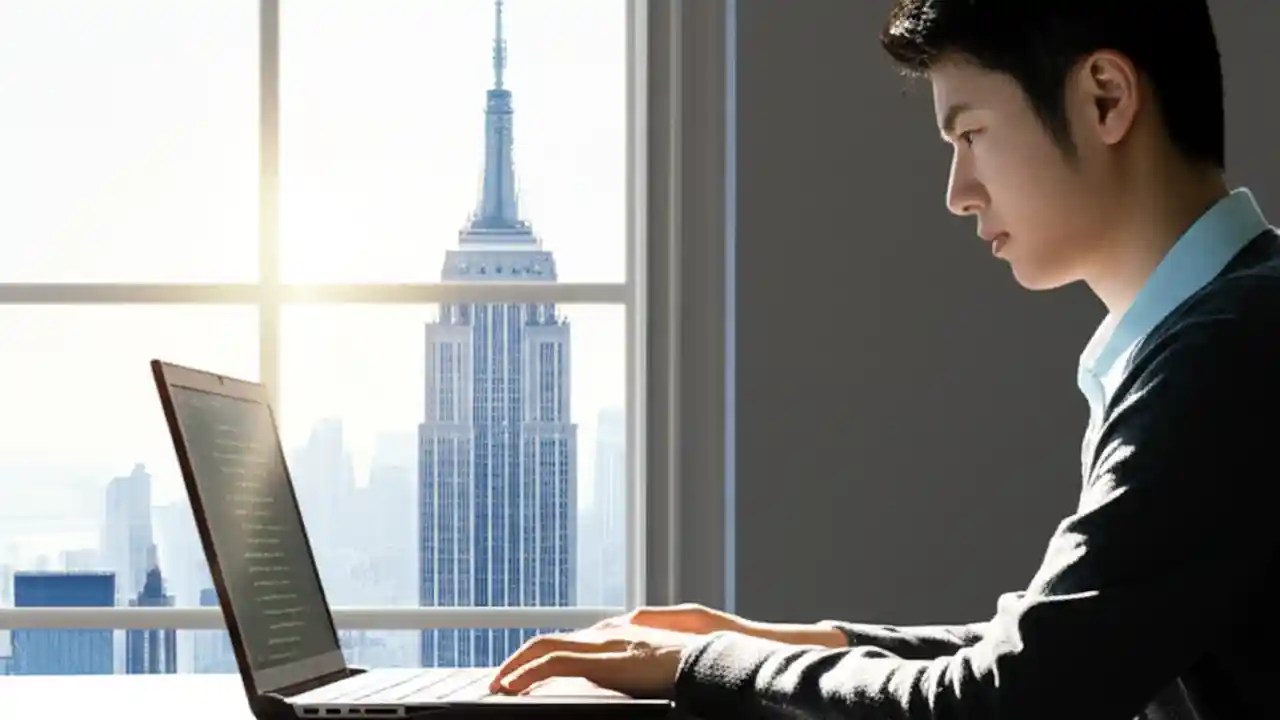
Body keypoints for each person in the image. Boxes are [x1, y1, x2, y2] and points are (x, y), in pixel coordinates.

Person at [491, 1, 1280, 717]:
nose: (958, 191)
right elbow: (1061, 649)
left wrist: (712, 665)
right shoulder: (1225, 328)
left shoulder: (1219, 355)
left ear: (1106, 97)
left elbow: (1011, 699)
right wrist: (791, 643)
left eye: (970, 134)